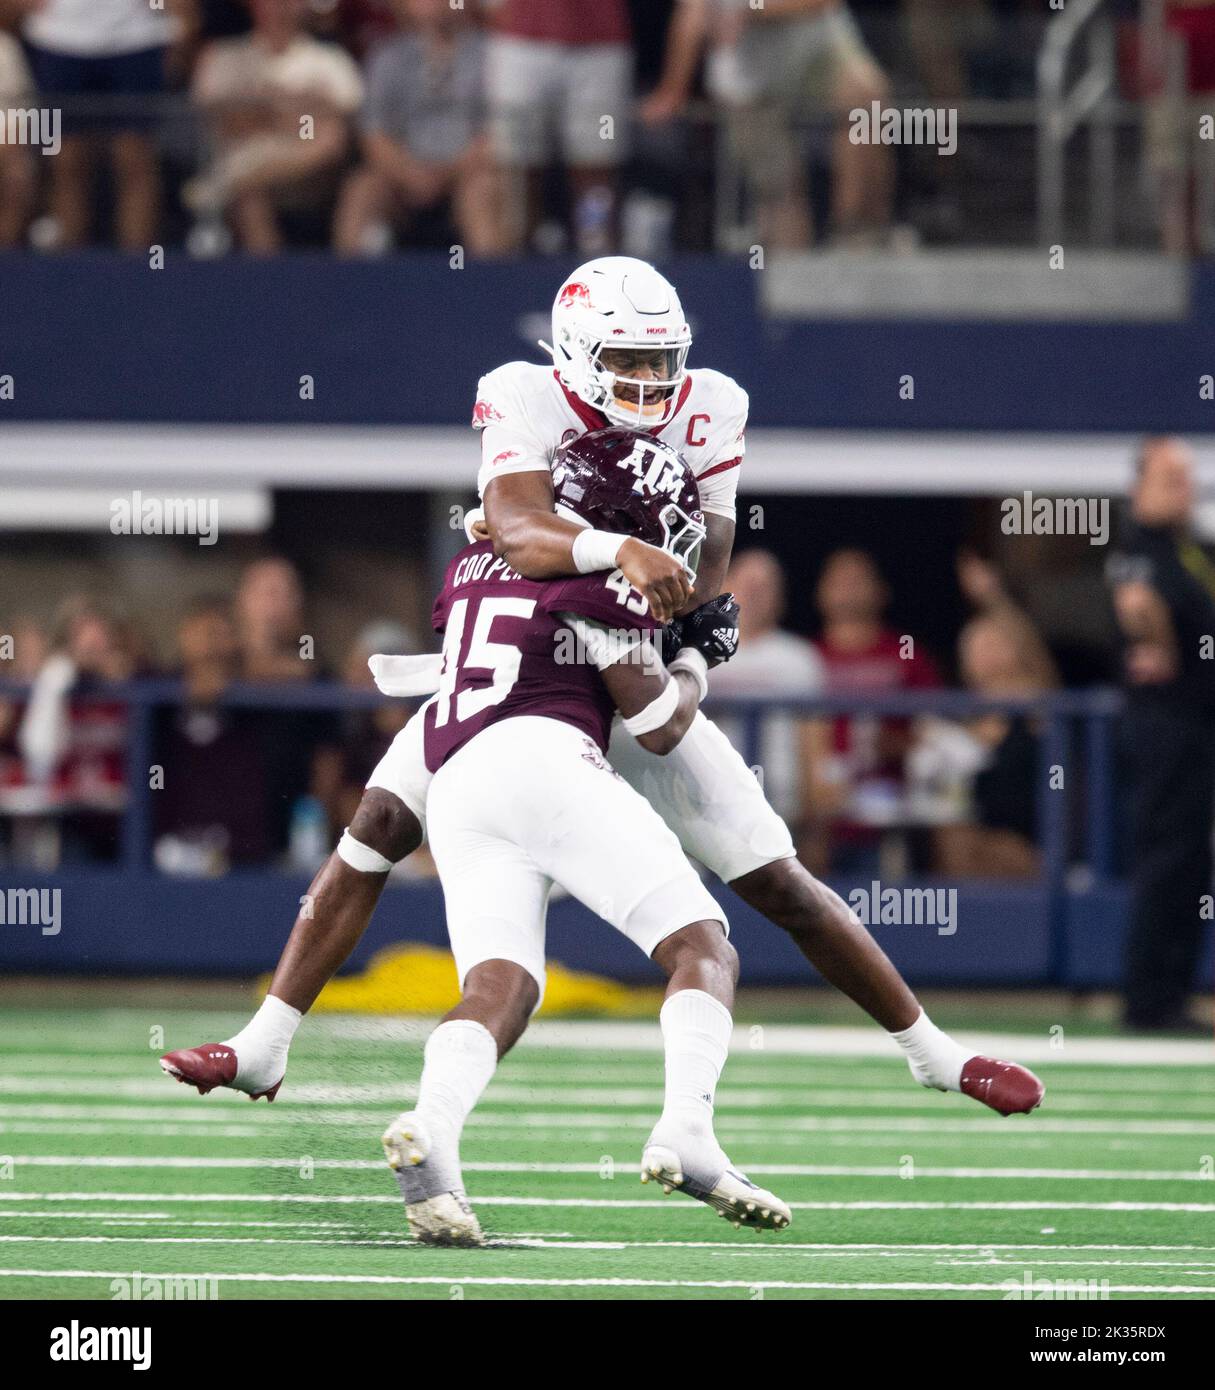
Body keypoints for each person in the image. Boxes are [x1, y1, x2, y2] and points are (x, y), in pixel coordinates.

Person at [161, 258, 1043, 1132]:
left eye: (663, 361)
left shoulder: (714, 405)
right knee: (378, 826)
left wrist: (656, 609)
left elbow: (699, 575)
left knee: (776, 880)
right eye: (628, 360)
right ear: (576, 353)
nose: (652, 380)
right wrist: (612, 553)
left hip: (622, 659)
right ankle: (267, 1040)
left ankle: (932, 1051)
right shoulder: (520, 392)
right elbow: (514, 528)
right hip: (524, 669)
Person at [377, 433, 788, 1243]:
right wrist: (698, 660)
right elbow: (658, 725)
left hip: (458, 776)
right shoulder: (603, 571)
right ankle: (687, 1131)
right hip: (546, 760)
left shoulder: (471, 563)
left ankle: (434, 1130)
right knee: (702, 948)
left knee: (500, 983)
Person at [1108, 436, 1215, 1032]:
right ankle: (1149, 1001)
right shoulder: (1142, 550)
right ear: (1139, 487)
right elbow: (1137, 603)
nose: (1183, 489)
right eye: (1169, 478)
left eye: (1187, 477)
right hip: (1165, 727)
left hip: (1195, 726)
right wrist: (1158, 644)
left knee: (1191, 861)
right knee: (1169, 858)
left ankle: (1170, 993)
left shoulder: (1187, 548)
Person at [641, 0, 893, 248]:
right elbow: (691, 14)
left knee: (866, 97)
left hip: (819, 48)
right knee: (778, 188)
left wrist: (752, 11)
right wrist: (672, 91)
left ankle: (855, 235)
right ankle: (791, 271)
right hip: (748, 78)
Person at [188, 0, 363, 253]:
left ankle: (223, 186)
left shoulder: (331, 59)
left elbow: (345, 122)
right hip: (246, 160)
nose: (278, 7)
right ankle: (269, 286)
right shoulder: (224, 55)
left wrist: (267, 113)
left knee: (330, 137)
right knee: (251, 199)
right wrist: (300, 108)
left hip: (312, 178)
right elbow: (223, 120)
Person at [332, 0, 504, 256]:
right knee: (361, 191)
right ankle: (345, 290)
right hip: (401, 178)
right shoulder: (386, 57)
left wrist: (448, 174)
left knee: (483, 194)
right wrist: (409, 175)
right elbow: (373, 134)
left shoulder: (491, 56)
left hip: (467, 174)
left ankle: (495, 291)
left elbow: (497, 132)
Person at [810, 547, 942, 876]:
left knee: (881, 912)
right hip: (816, 818)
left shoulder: (906, 652)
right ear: (821, 593)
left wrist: (899, 744)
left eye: (858, 580)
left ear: (880, 591)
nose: (849, 590)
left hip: (890, 813)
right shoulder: (805, 657)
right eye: (839, 581)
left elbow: (939, 731)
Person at [19, 0, 179, 249]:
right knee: (64, 161)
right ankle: (68, 271)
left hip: (136, 40)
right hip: (57, 40)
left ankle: (136, 274)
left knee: (134, 160)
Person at [483, 0, 633, 253]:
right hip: (520, 40)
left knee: (595, 163)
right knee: (515, 167)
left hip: (600, 41)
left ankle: (595, 252)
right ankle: (513, 258)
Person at [708, 548, 825, 828]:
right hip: (704, 797)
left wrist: (815, 813)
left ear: (781, 597)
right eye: (747, 584)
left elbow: (814, 743)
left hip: (779, 802)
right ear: (725, 586)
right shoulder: (694, 653)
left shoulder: (800, 658)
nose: (754, 593)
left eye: (764, 587)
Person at [0, 25, 35, 247]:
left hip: (5, 140)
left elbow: (18, 117)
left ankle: (6, 258)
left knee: (17, 173)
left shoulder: (4, 48)